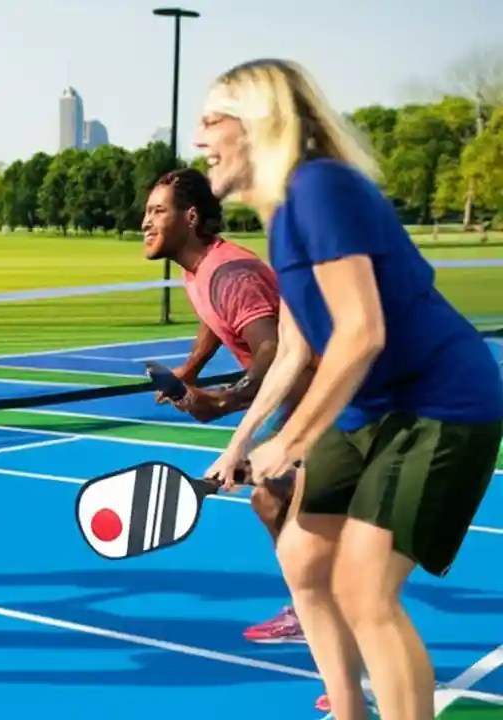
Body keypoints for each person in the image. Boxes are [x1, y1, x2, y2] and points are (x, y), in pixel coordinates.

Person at [199, 58, 503, 720]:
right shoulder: (285, 218)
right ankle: (349, 709)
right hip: (368, 408)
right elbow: (297, 350)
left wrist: (296, 439)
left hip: (440, 403)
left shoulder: (321, 190)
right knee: (304, 560)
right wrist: (244, 441)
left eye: (212, 117)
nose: (199, 136)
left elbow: (361, 332)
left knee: (366, 591)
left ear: (258, 123)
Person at [142, 167, 311, 645]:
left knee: (302, 515)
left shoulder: (231, 273)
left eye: (158, 211)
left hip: (330, 405)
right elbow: (214, 319)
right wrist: (190, 372)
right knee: (270, 500)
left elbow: (272, 351)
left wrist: (224, 401)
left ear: (190, 217)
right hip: (294, 405)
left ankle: (329, 615)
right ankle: (309, 605)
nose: (145, 222)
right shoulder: (201, 271)